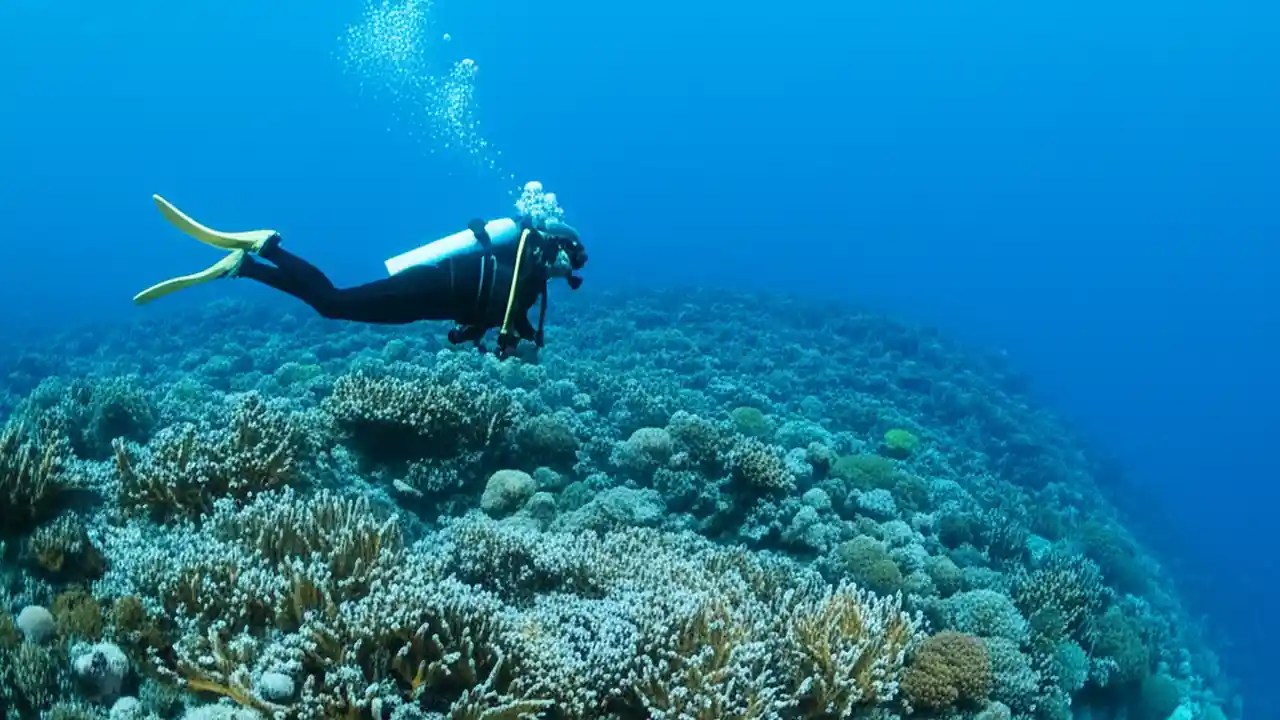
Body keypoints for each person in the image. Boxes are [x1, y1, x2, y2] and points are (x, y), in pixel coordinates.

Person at [132, 194, 588, 358]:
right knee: (335, 302)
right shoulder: (528, 261)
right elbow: (507, 311)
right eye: (570, 260)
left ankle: (247, 265)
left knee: (333, 307)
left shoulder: (529, 281)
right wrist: (512, 336)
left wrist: (519, 338)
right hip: (428, 287)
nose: (567, 270)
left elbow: (510, 315)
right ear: (558, 246)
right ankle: (268, 246)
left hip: (426, 302)